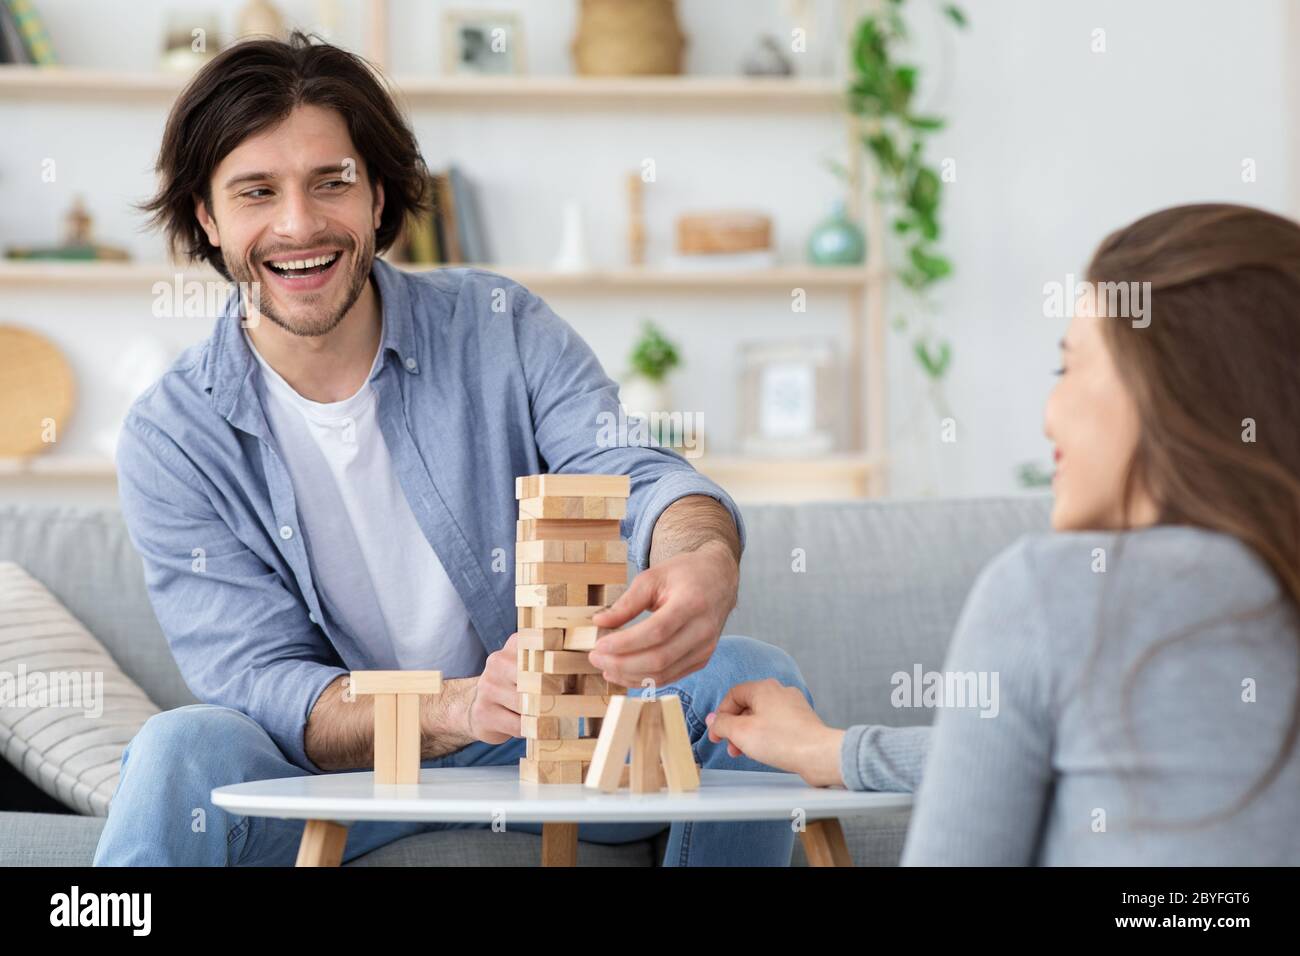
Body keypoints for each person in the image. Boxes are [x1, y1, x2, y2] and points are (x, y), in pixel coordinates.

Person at [92, 33, 808, 867]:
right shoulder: (172, 436)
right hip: (327, 780)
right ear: (208, 219)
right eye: (257, 192)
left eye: (332, 182)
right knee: (181, 746)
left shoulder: (500, 326)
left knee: (755, 677)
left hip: (557, 751)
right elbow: (265, 684)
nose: (298, 224)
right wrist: (455, 707)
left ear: (379, 195)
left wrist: (702, 552)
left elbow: (633, 473)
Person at [707, 203, 1300, 865]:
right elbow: (1015, 749)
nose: (1049, 416)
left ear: (1167, 385)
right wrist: (831, 750)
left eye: (1067, 367)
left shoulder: (1054, 591)